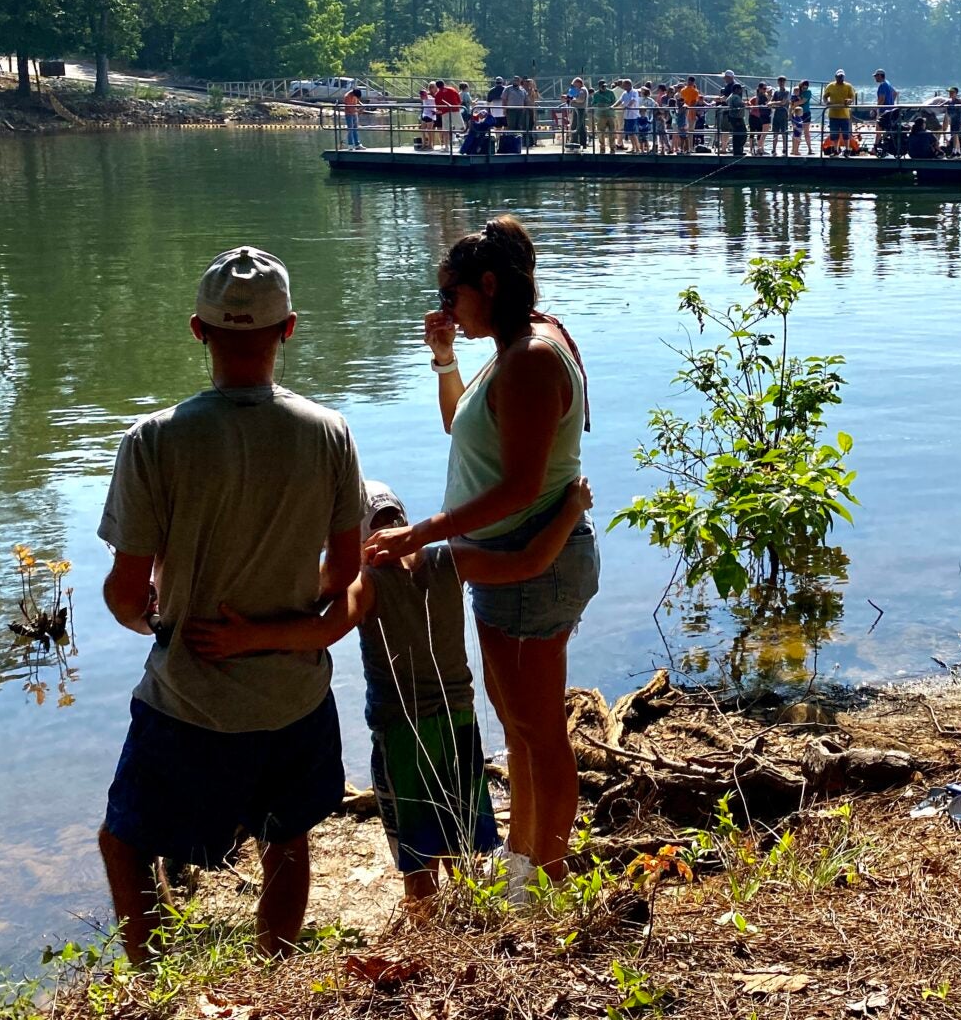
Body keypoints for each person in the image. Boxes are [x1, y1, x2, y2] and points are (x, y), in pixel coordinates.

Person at [96, 248, 365, 963]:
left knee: (123, 840)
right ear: (289, 330)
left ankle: (152, 983)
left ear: (198, 330)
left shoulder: (152, 440)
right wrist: (276, 621)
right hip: (295, 696)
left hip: (192, 700)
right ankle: (274, 970)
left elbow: (125, 594)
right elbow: (343, 570)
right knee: (287, 839)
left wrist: (156, 612)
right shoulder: (330, 432)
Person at [187, 477, 592, 900]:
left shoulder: (367, 584)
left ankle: (428, 936)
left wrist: (246, 637)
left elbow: (321, 631)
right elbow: (529, 562)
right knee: (461, 849)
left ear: (358, 539)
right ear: (403, 522)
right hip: (457, 725)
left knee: (418, 864)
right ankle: (474, 925)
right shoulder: (451, 560)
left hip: (402, 733)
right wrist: (570, 510)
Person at [369, 217, 597, 880]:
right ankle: (525, 858)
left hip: (531, 562)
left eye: (451, 297)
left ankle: (547, 875)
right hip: (506, 562)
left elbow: (521, 486)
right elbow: (458, 422)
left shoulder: (530, 358)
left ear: (488, 284)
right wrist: (445, 360)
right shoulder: (511, 345)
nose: (445, 309)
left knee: (539, 732)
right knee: (517, 723)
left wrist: (421, 532)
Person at [822, 70, 856, 156]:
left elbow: (852, 97)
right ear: (835, 77)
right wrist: (826, 102)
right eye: (839, 77)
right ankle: (835, 150)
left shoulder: (848, 86)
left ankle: (847, 150)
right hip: (833, 114)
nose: (840, 78)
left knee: (846, 134)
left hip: (844, 114)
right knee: (834, 134)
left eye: (842, 77)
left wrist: (849, 100)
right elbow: (825, 96)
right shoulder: (830, 86)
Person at [589, 79, 616, 154]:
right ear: (599, 86)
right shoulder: (596, 94)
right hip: (600, 115)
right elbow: (593, 104)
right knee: (601, 132)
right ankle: (602, 148)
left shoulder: (611, 92)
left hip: (610, 114)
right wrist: (598, 105)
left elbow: (614, 102)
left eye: (605, 86)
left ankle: (612, 148)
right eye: (602, 86)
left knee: (612, 132)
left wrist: (608, 105)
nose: (604, 87)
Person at [678, 76, 702, 153]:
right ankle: (690, 148)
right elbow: (694, 102)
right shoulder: (695, 91)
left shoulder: (682, 90)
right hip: (691, 113)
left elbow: (681, 101)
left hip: (683, 113)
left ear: (688, 81)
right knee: (690, 132)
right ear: (694, 82)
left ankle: (682, 148)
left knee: (682, 131)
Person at [769, 77, 792, 157]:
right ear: (778, 82)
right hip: (776, 114)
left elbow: (783, 102)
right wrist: (772, 103)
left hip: (784, 114)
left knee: (784, 132)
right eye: (780, 81)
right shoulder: (776, 92)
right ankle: (774, 149)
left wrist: (773, 103)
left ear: (785, 82)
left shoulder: (787, 92)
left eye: (783, 81)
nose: (781, 83)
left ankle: (784, 148)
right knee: (775, 133)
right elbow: (770, 102)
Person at [792, 80, 814, 156]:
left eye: (806, 87)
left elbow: (802, 101)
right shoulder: (797, 91)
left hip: (806, 113)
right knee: (797, 132)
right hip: (797, 113)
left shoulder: (808, 92)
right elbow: (792, 100)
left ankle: (810, 149)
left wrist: (794, 103)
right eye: (803, 87)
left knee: (806, 132)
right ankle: (794, 150)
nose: (804, 89)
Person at [943, 86, 961, 158]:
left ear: (956, 93)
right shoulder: (948, 101)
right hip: (952, 120)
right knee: (954, 135)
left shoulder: (958, 101)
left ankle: (955, 151)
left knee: (955, 135)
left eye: (952, 92)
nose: (950, 93)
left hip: (957, 120)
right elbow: (941, 104)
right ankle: (957, 151)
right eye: (950, 92)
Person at [749, 82, 771, 155]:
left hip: (761, 116)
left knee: (761, 133)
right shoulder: (759, 97)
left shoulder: (764, 96)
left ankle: (760, 148)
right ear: (760, 89)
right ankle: (756, 148)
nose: (765, 90)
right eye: (764, 89)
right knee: (757, 133)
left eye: (766, 88)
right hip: (758, 115)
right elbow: (752, 104)